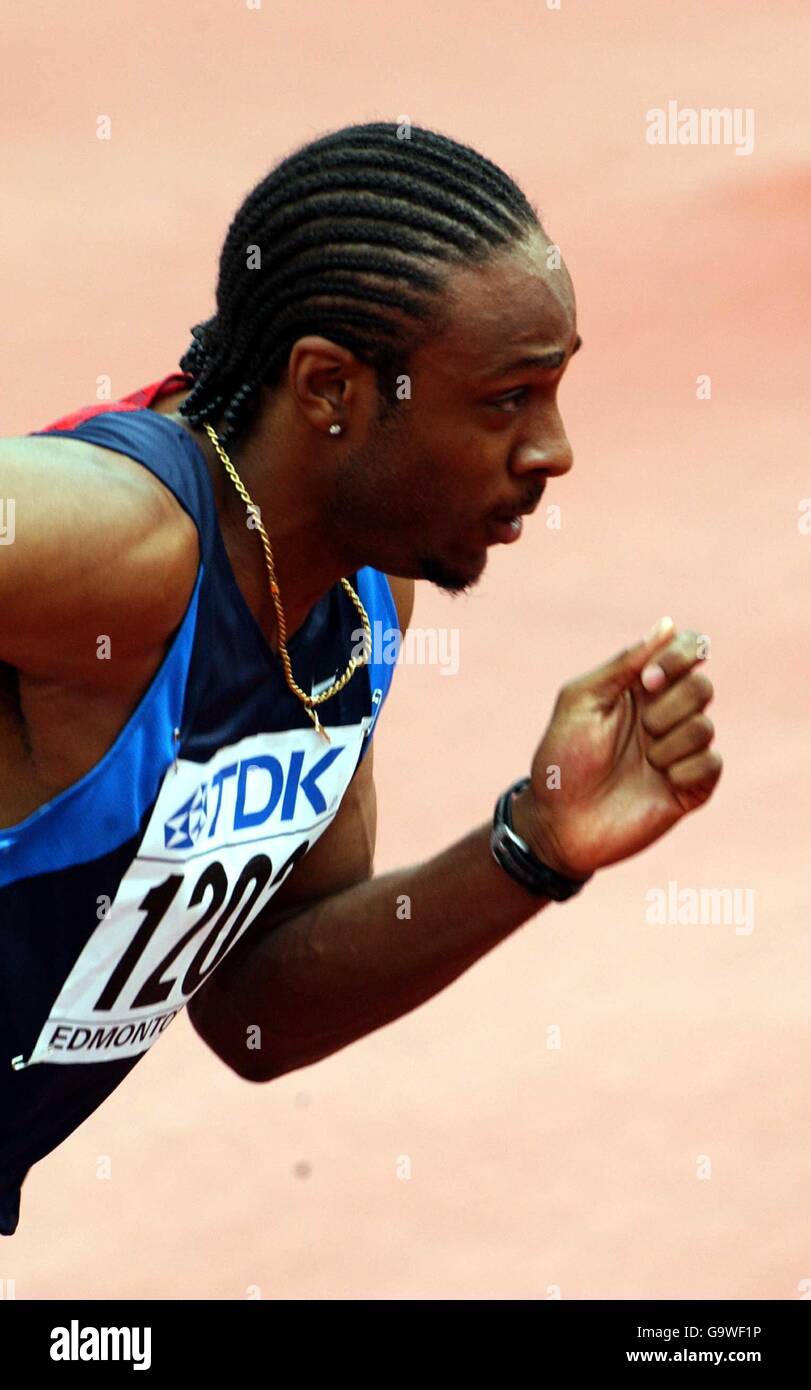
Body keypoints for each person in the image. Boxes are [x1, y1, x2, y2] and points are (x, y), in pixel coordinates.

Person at [0, 121, 721, 1235]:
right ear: (331, 385)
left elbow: (256, 1017)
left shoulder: (358, 600)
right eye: (504, 401)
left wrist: (531, 846)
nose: (555, 450)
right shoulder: (116, 539)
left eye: (555, 389)